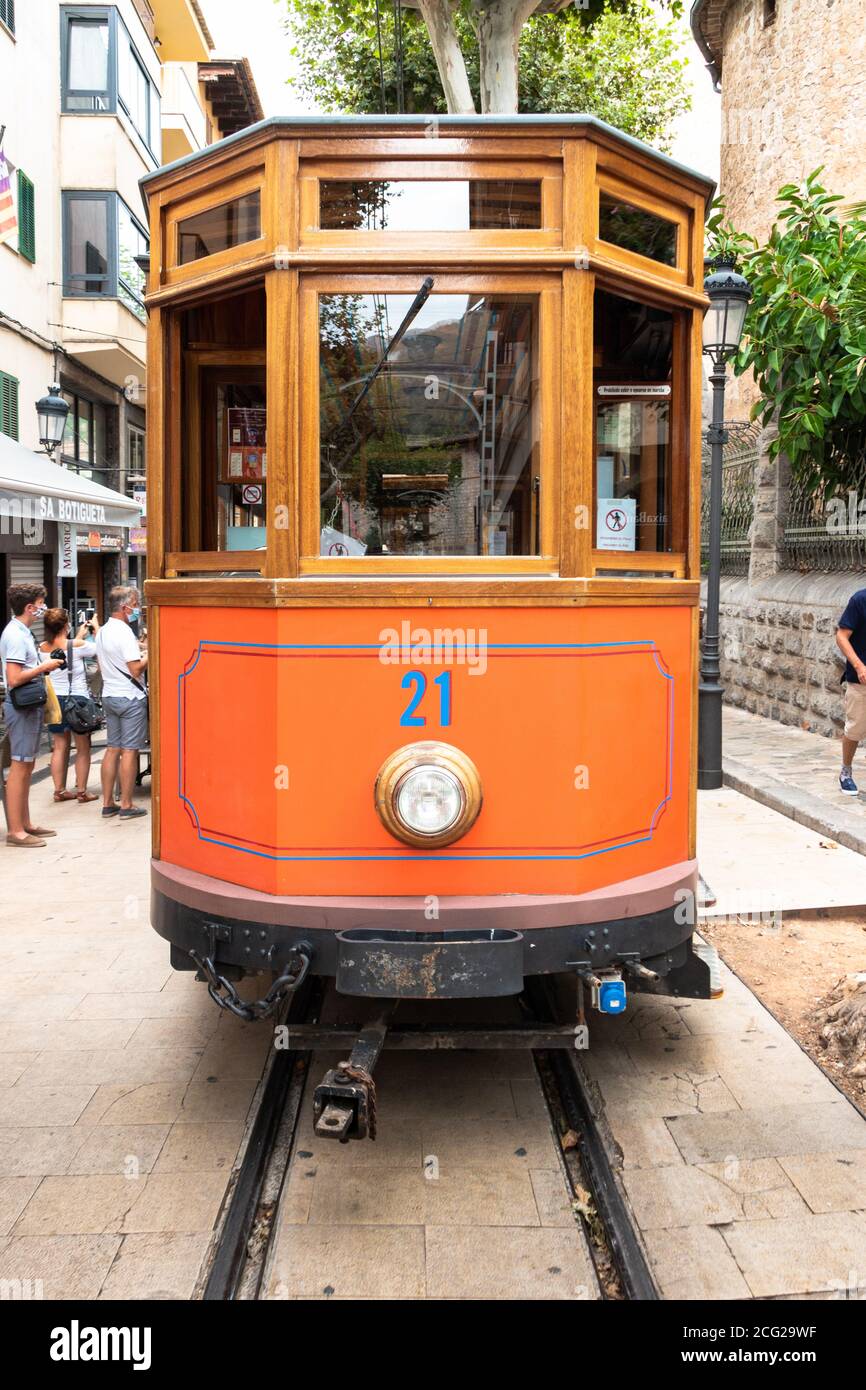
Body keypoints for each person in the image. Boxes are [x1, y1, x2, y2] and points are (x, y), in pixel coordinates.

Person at [0, 584, 64, 847]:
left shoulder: (22, 632)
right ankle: (16, 830)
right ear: (29, 607)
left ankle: (24, 822)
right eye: (40, 604)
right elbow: (14, 678)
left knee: (26, 765)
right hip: (22, 706)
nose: (43, 609)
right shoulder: (15, 635)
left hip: (29, 705)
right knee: (20, 765)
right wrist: (43, 667)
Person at [95, 585, 148, 820]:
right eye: (135, 604)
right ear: (125, 607)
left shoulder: (104, 631)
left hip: (109, 695)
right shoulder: (125, 632)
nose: (137, 609)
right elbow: (135, 669)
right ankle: (126, 804)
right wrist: (150, 654)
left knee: (112, 749)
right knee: (129, 751)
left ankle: (108, 803)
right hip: (130, 697)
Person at [39, 607, 100, 803]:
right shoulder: (78, 645)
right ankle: (82, 791)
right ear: (66, 625)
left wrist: (77, 636)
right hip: (78, 701)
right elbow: (99, 649)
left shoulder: (42, 648)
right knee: (83, 747)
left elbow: (65, 644)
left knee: (60, 745)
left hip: (55, 700)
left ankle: (59, 790)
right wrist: (96, 629)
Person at [836, 586, 866, 793]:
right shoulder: (860, 600)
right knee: (855, 729)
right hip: (861, 680)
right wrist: (859, 665)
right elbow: (842, 636)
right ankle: (845, 771)